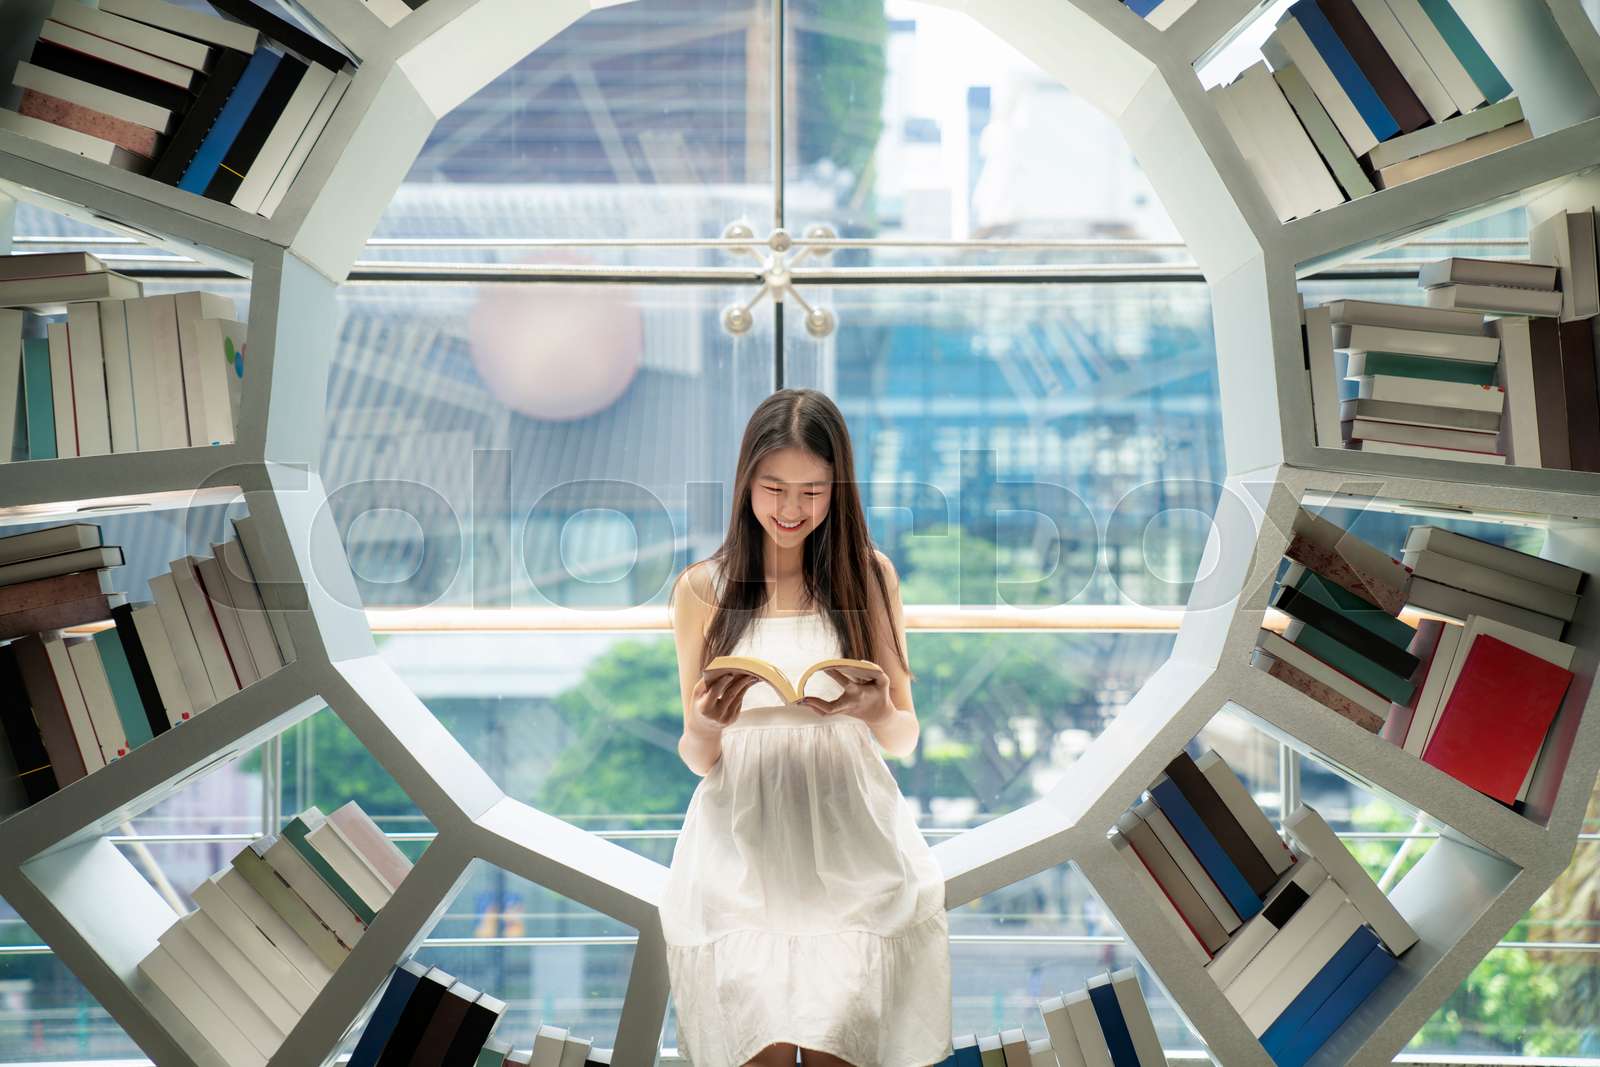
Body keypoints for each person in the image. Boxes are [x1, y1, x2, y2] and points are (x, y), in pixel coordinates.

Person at [659, 388, 953, 1067]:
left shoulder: (869, 577)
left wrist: (877, 707)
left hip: (850, 843)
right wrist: (706, 723)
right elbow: (699, 757)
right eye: (775, 488)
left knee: (843, 1039)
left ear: (838, 488)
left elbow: (904, 737)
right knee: (754, 1039)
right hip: (744, 850)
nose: (791, 510)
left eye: (813, 491)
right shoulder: (702, 589)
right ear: (746, 484)